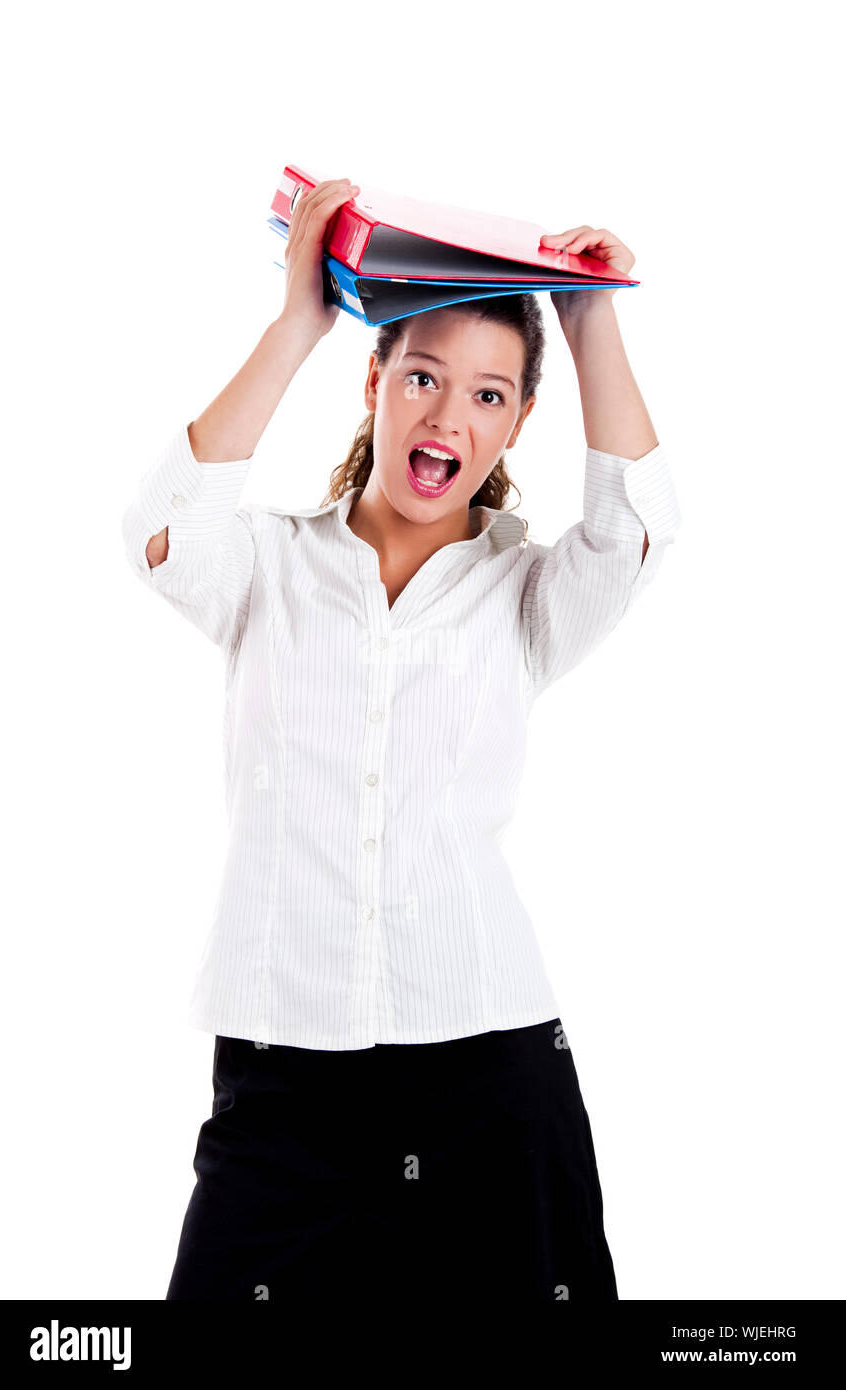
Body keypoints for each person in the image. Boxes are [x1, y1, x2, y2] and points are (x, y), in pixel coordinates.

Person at [121, 177, 681, 1306]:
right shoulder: (264, 569)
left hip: (486, 1061)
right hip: (284, 1070)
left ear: (519, 420)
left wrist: (586, 316)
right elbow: (163, 533)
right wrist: (298, 320)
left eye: (486, 395)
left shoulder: (526, 596)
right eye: (421, 376)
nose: (446, 419)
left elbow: (630, 531)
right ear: (374, 381)